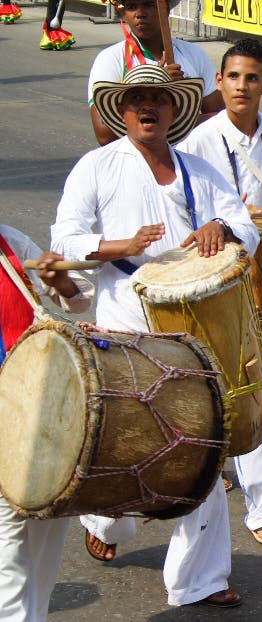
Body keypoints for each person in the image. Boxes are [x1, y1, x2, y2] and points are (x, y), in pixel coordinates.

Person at [51, 64, 258, 608]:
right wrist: (119, 246)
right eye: (137, 99)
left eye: (158, 99)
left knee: (204, 441)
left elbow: (245, 224)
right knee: (125, 443)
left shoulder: (199, 170)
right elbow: (65, 237)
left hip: (193, 324)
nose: (148, 106)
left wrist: (221, 227)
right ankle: (106, 520)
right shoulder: (96, 166)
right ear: (122, 111)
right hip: (122, 320)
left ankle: (200, 578)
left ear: (173, 110)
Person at [178, 37, 262, 548]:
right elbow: (191, 212)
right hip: (230, 269)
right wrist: (230, 218)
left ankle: (228, 452)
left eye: (252, 78)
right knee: (253, 388)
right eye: (233, 77)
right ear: (219, 82)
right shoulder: (199, 140)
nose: (242, 86)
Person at [0, 224, 94, 621]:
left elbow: (77, 299)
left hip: (37, 408)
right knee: (8, 547)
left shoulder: (9, 243)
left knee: (46, 530)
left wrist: (60, 282)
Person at [87, 0, 223, 145]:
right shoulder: (110, 59)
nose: (140, 14)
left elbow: (221, 118)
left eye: (149, 5)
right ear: (123, 14)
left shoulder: (194, 54)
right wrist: (160, 84)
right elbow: (104, 134)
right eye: (132, 7)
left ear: (166, 9)